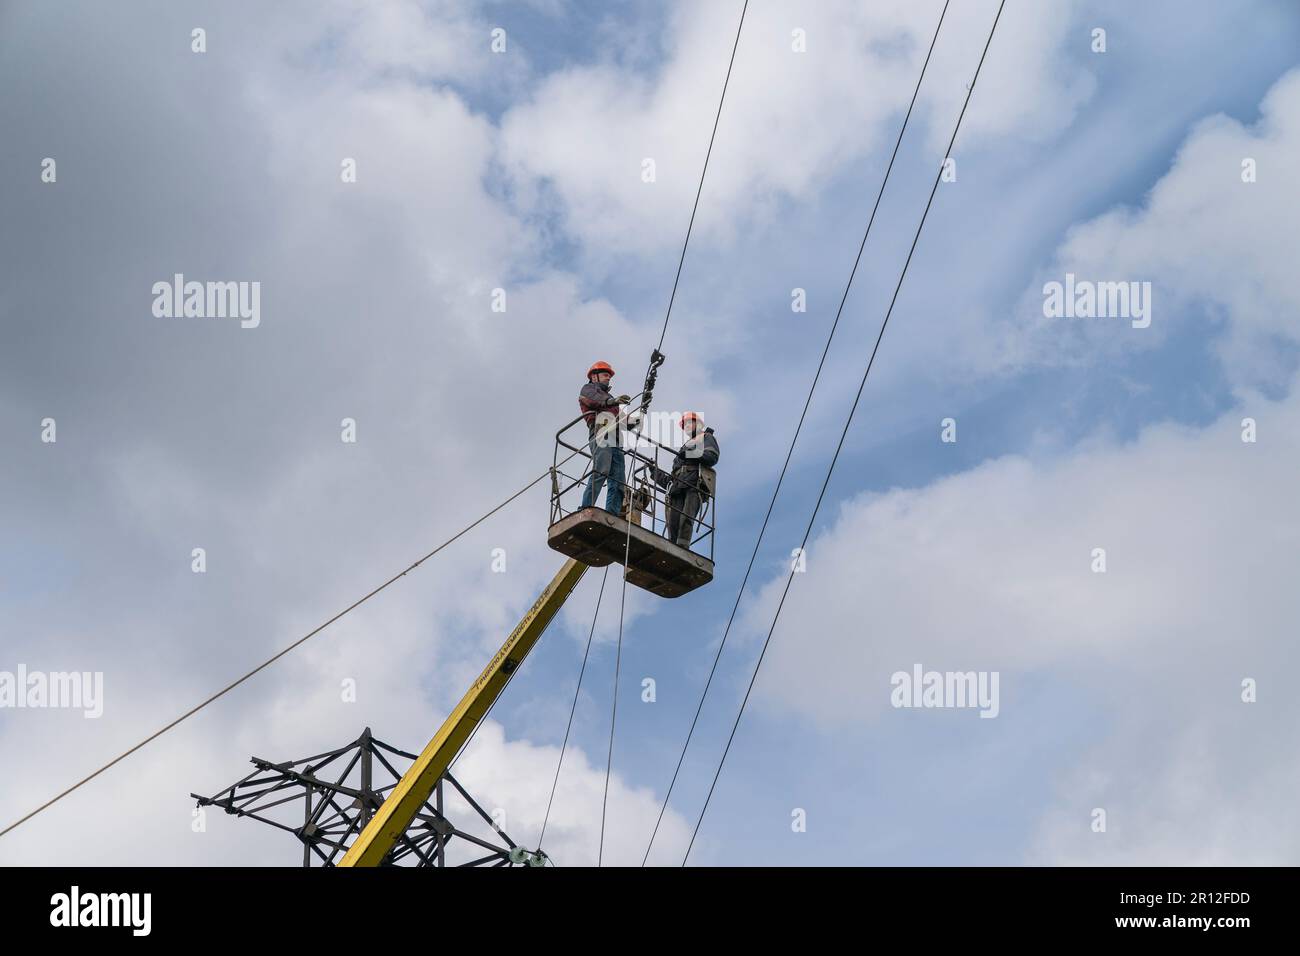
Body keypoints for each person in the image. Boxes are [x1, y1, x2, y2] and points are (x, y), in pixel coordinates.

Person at [656, 411, 720, 549]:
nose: (687, 427)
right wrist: (654, 472)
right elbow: (670, 481)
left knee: (686, 518)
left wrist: (690, 454)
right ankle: (672, 548)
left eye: (690, 423)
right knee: (673, 521)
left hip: (694, 483)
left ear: (699, 424)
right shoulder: (683, 449)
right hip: (678, 485)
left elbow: (712, 456)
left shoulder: (706, 437)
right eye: (685, 425)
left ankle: (682, 548)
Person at [578, 361, 631, 515]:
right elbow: (593, 400)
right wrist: (612, 401)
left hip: (615, 439)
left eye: (609, 375)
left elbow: (625, 421)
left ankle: (612, 514)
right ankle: (586, 507)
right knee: (602, 469)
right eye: (605, 374)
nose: (609, 378)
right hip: (600, 433)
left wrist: (643, 409)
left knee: (618, 479)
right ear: (594, 377)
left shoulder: (611, 399)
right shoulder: (588, 389)